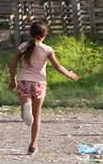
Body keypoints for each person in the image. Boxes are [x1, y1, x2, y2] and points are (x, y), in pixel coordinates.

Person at [8, 21, 79, 156]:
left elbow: (13, 63)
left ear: (31, 33)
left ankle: (26, 106)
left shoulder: (23, 46)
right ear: (44, 35)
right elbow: (58, 66)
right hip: (39, 83)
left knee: (25, 112)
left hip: (24, 81)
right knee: (37, 115)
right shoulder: (47, 49)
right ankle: (33, 145)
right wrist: (69, 74)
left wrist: (12, 80)